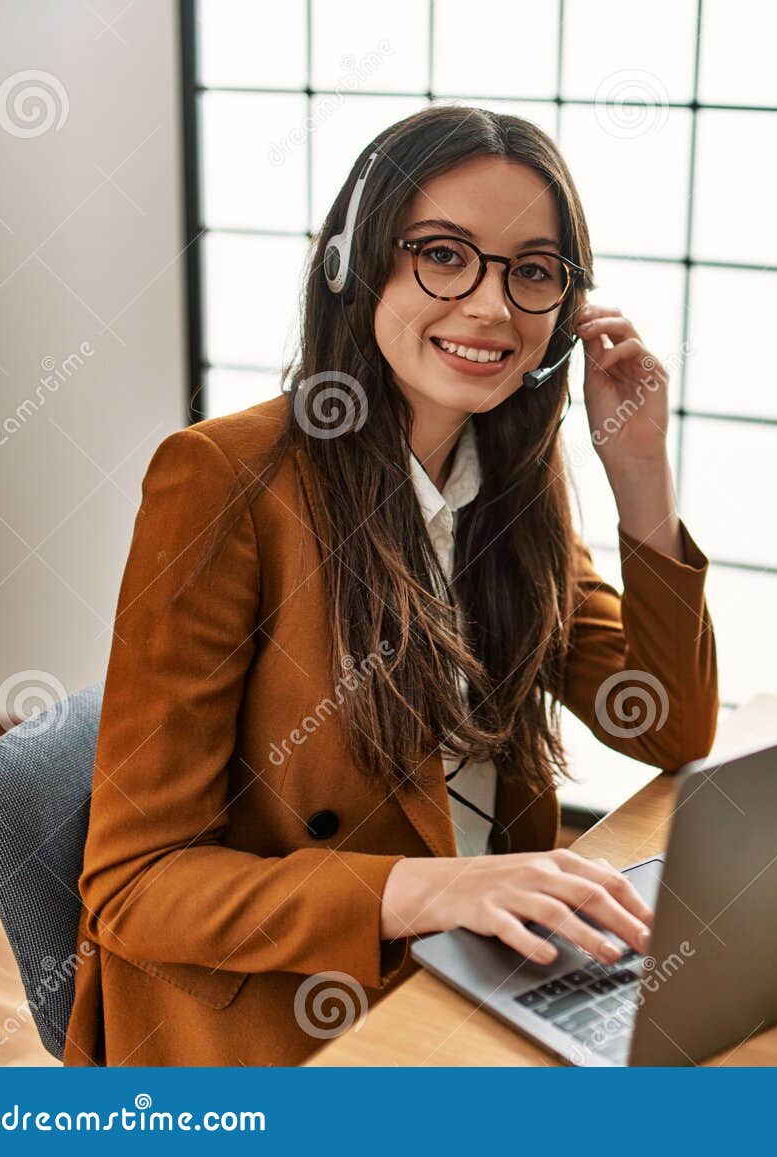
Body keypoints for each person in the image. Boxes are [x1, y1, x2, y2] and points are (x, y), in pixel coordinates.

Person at [66, 105, 719, 1065]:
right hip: (289, 1025)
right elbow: (135, 887)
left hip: (479, 971)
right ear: (354, 265)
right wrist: (432, 889)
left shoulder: (512, 480)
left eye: (534, 270)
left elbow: (667, 728)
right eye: (443, 255)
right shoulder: (224, 482)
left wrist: (642, 480)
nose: (492, 306)